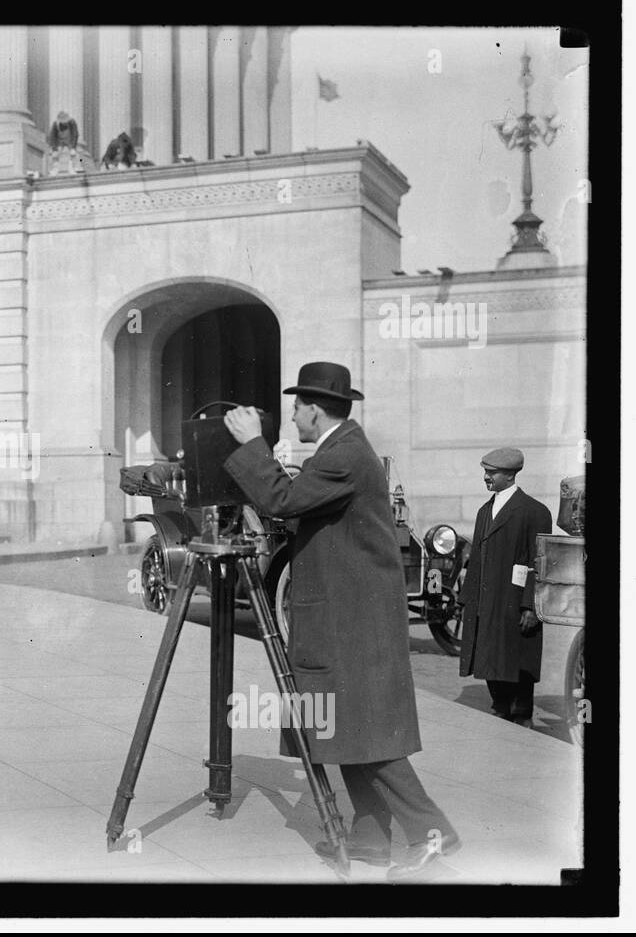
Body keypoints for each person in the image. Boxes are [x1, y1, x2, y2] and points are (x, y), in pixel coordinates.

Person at [222, 362, 459, 881]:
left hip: (352, 623)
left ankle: (431, 833)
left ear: (313, 408)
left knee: (362, 729)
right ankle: (371, 838)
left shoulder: (342, 456)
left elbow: (280, 500)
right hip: (346, 617)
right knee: (342, 728)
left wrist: (250, 444)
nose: (291, 416)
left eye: (295, 407)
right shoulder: (340, 448)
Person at [458, 448, 553, 726]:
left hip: (514, 601)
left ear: (510, 475)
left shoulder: (534, 511)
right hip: (486, 600)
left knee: (518, 658)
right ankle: (499, 706)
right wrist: (468, 600)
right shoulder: (484, 511)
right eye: (485, 472)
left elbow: (540, 563)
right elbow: (476, 558)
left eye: (492, 473)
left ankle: (521, 713)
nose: (486, 477)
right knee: (487, 654)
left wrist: (531, 606)